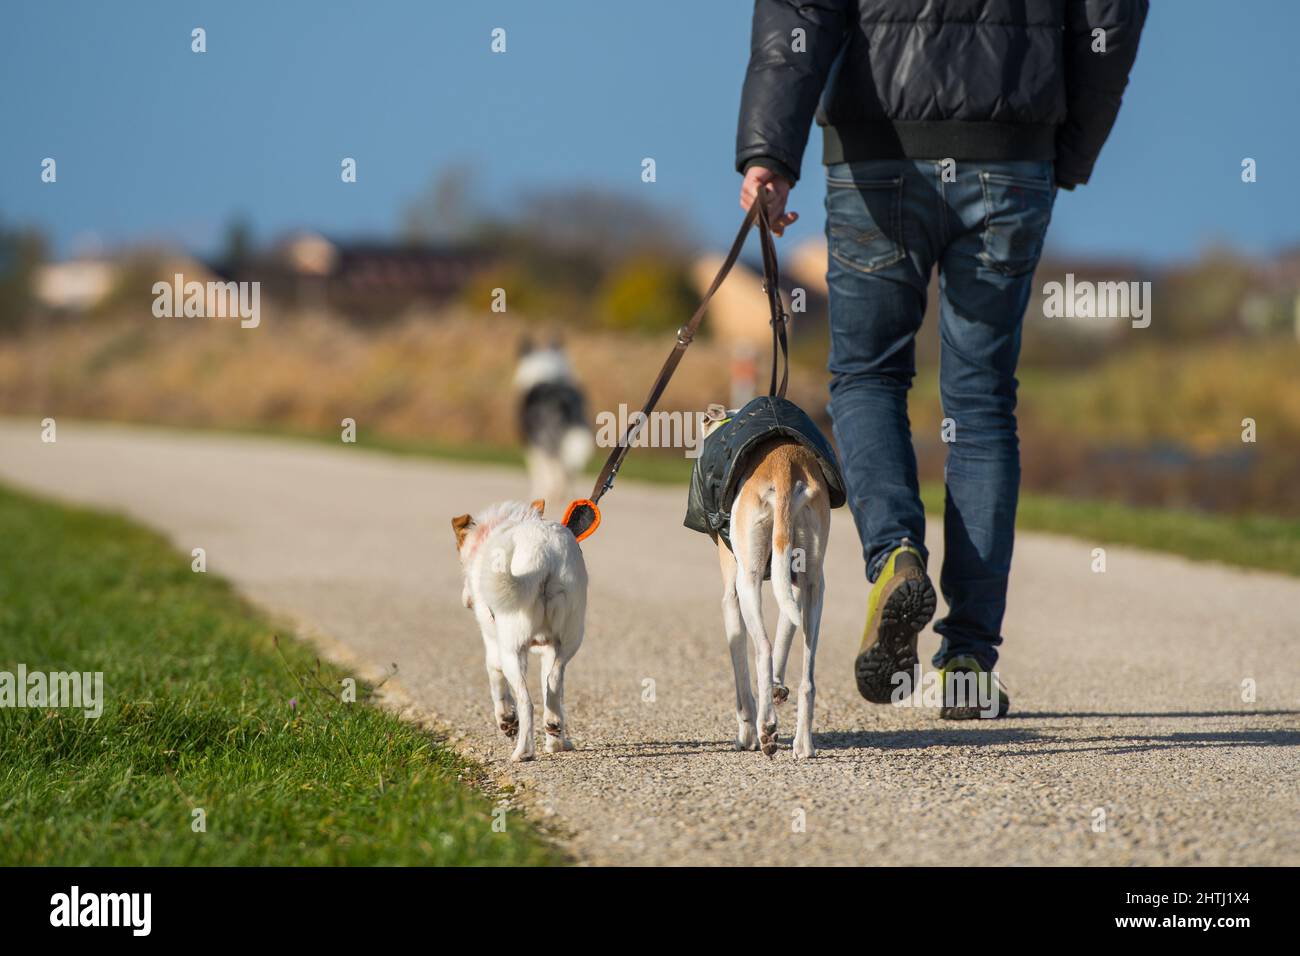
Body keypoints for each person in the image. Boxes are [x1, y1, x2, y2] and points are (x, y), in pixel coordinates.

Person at [736, 0, 1148, 718]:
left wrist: (771, 151)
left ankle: (895, 555)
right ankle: (967, 658)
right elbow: (1109, 16)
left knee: (867, 376)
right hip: (1012, 149)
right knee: (982, 402)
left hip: (876, 150)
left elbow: (799, 12)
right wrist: (1069, 145)